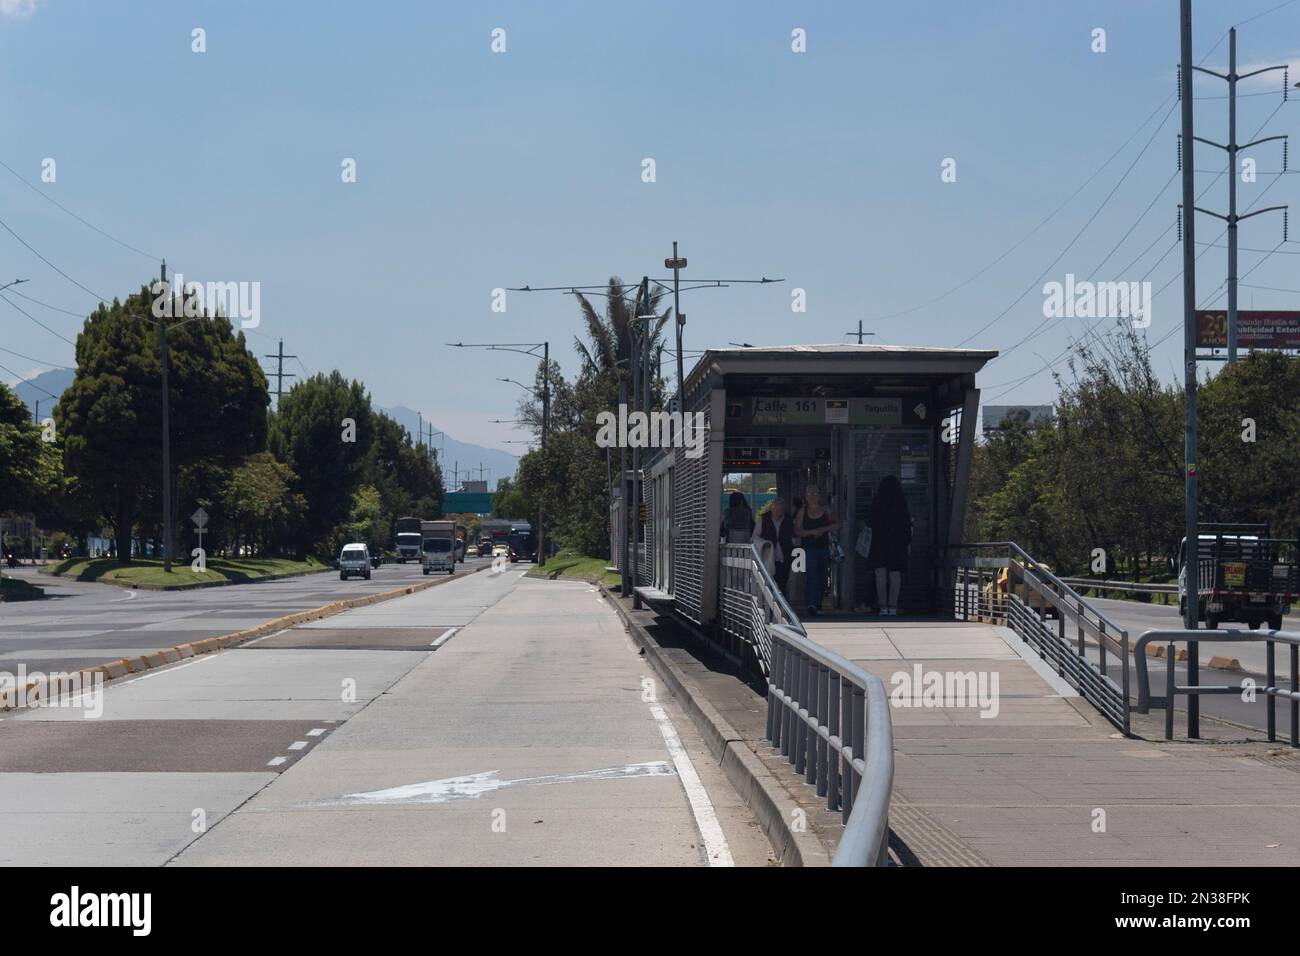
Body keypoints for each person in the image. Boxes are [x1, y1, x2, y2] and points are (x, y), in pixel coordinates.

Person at [866, 474, 912, 616]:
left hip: (879, 543)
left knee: (880, 574)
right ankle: (893, 607)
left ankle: (883, 606)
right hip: (897, 544)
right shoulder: (901, 503)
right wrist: (908, 543)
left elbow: (869, 522)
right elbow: (906, 525)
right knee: (895, 575)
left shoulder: (877, 502)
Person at [794, 484, 839, 616]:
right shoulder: (802, 511)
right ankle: (811, 604)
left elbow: (837, 524)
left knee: (823, 577)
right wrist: (812, 532)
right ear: (806, 496)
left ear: (820, 495)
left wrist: (823, 530)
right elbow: (797, 531)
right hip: (808, 549)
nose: (812, 496)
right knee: (811, 575)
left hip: (824, 548)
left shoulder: (826, 510)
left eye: (815, 493)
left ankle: (818, 603)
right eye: (810, 494)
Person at [752, 497, 794, 596]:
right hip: (768, 557)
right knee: (770, 581)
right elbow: (754, 537)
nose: (778, 511)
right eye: (776, 509)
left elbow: (794, 535)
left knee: (783, 581)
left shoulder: (788, 519)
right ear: (772, 508)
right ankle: (773, 607)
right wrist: (765, 544)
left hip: (784, 555)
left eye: (781, 509)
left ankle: (781, 606)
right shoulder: (763, 519)